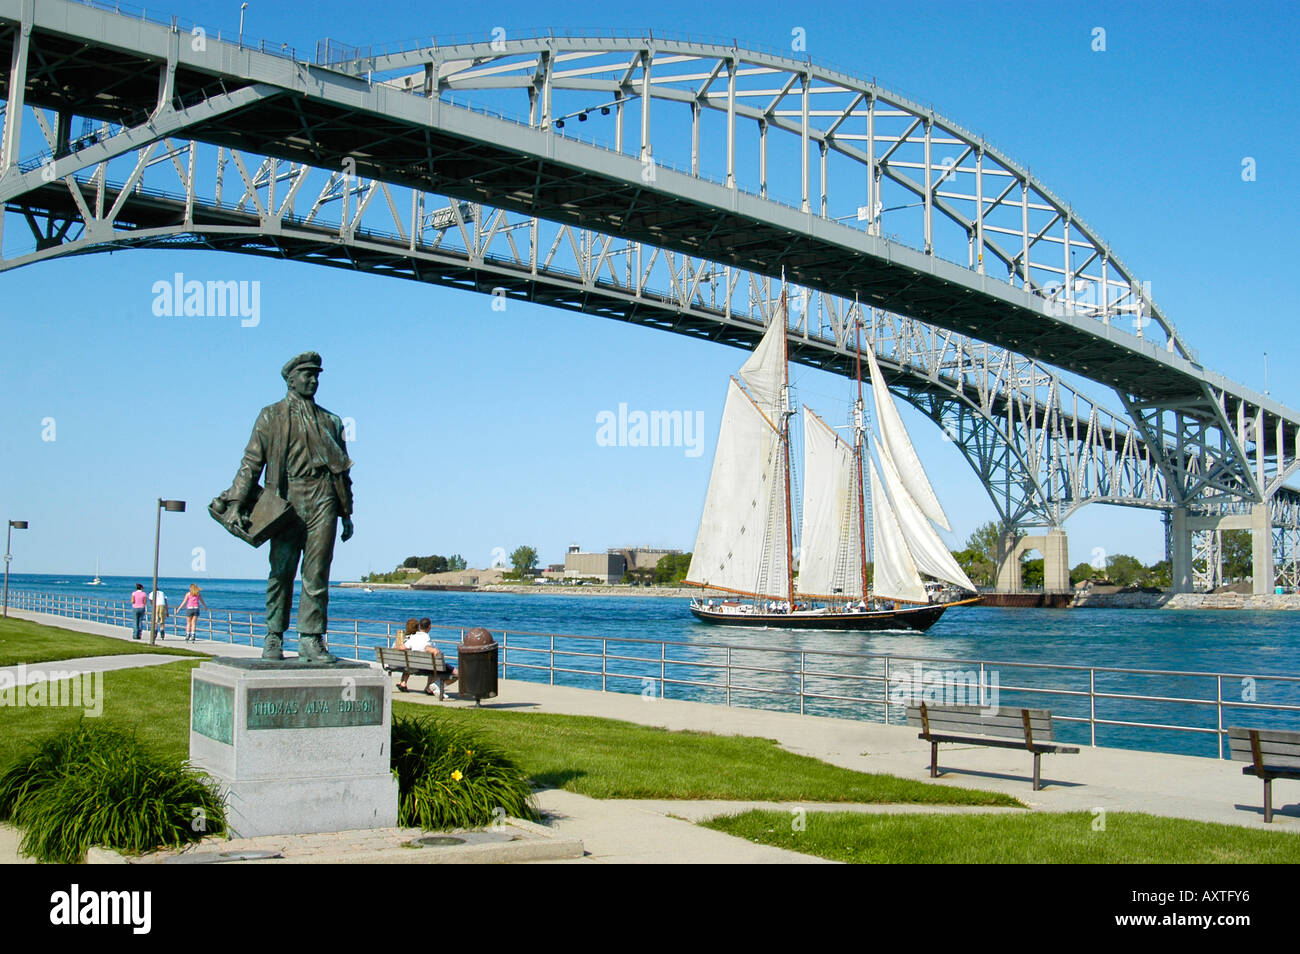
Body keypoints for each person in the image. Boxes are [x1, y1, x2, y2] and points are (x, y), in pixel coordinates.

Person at [211, 352, 354, 663]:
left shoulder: (332, 421)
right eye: (307, 374)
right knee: (282, 571)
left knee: (317, 574)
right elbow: (251, 464)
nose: (313, 380)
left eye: (317, 375)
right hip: (287, 502)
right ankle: (274, 635)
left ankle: (311, 639)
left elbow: (343, 472)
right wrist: (236, 502)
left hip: (324, 499)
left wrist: (347, 513)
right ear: (291, 379)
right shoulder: (270, 416)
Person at [395, 618, 419, 691]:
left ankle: (402, 682)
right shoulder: (414, 639)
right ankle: (403, 682)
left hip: (396, 662)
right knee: (409, 662)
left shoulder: (401, 638)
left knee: (407, 662)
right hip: (408, 663)